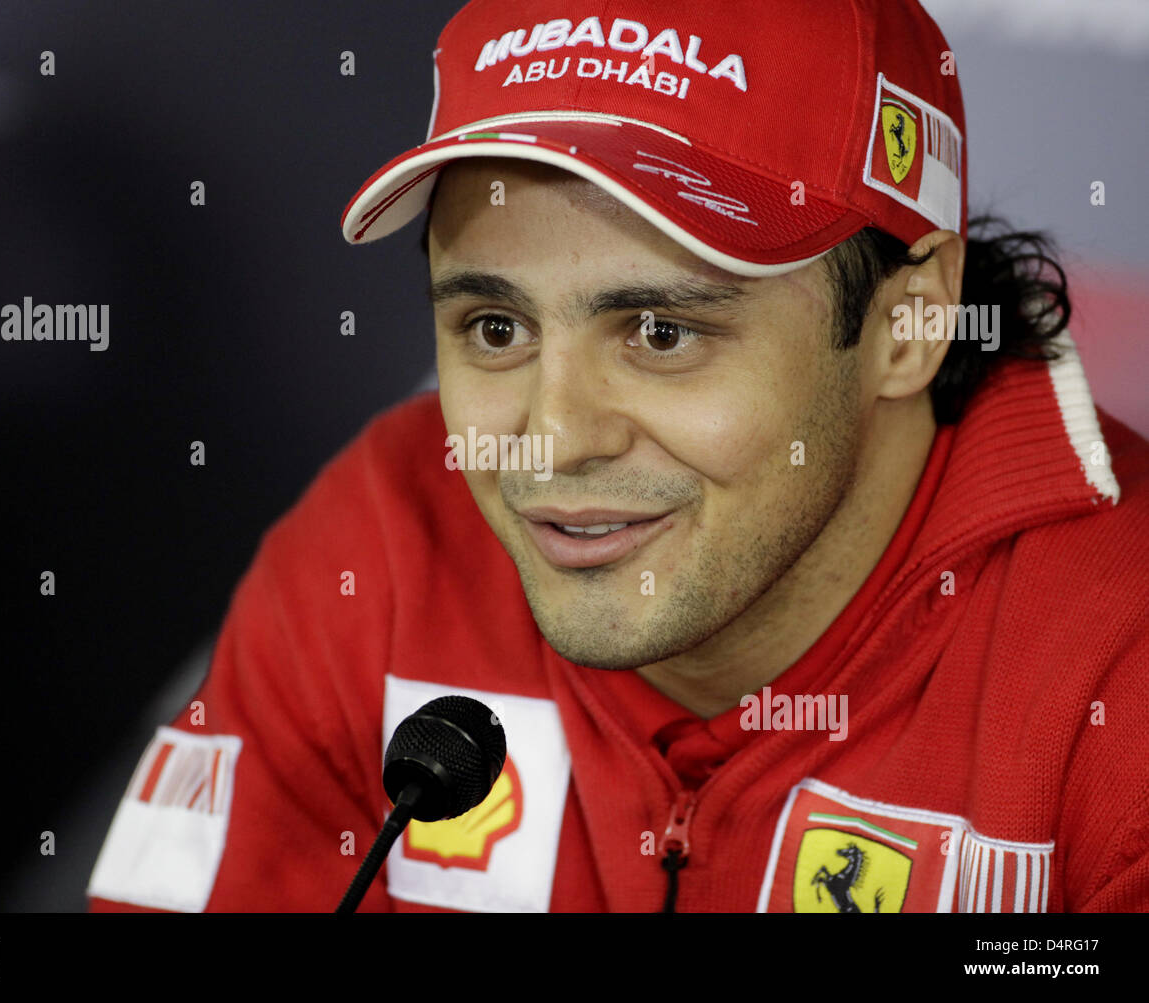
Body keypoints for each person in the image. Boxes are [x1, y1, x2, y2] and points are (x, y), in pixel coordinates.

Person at [87, 0, 1149, 913]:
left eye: (659, 332)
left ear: (906, 323)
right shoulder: (380, 538)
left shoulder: (1119, 660)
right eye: (496, 328)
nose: (554, 436)